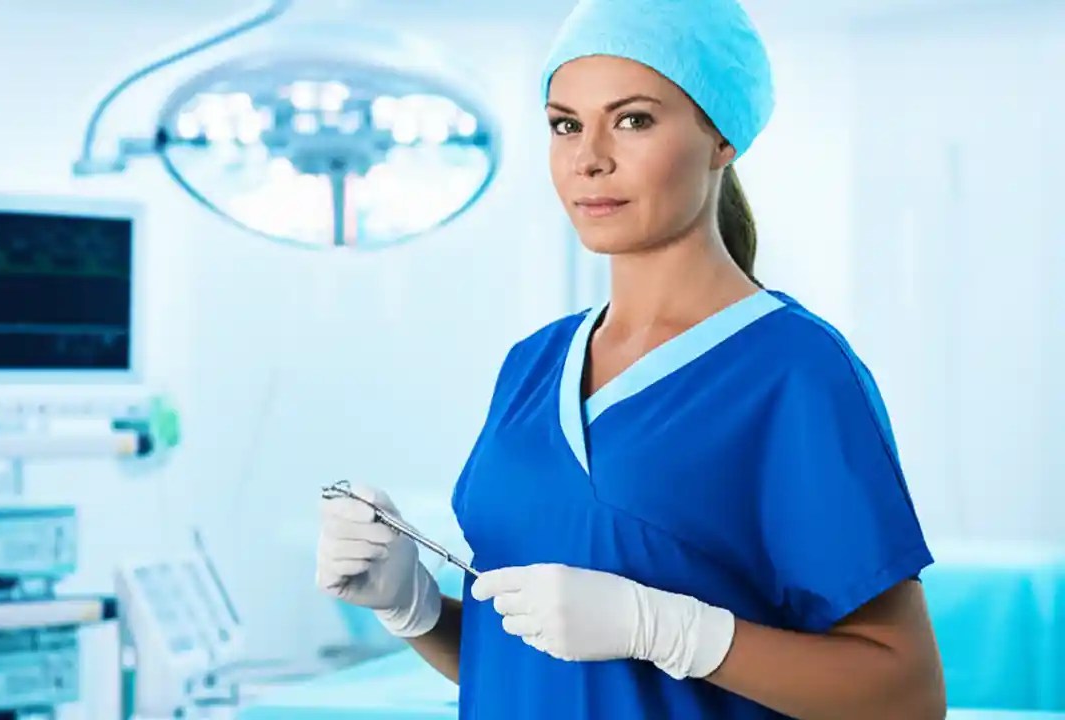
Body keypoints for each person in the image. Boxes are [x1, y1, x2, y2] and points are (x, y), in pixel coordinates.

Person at [315, 0, 947, 717]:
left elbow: (904, 695)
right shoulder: (533, 364)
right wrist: (414, 606)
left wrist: (671, 630)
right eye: (565, 124)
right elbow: (547, 671)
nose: (589, 159)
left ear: (721, 138)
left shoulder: (792, 370)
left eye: (634, 119)